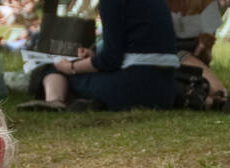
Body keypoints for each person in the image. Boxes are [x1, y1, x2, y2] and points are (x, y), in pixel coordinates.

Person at [22, 0, 179, 111]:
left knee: (54, 66)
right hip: (165, 89)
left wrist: (71, 67)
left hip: (133, 88)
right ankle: (85, 101)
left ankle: (55, 101)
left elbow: (111, 60)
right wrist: (93, 57)